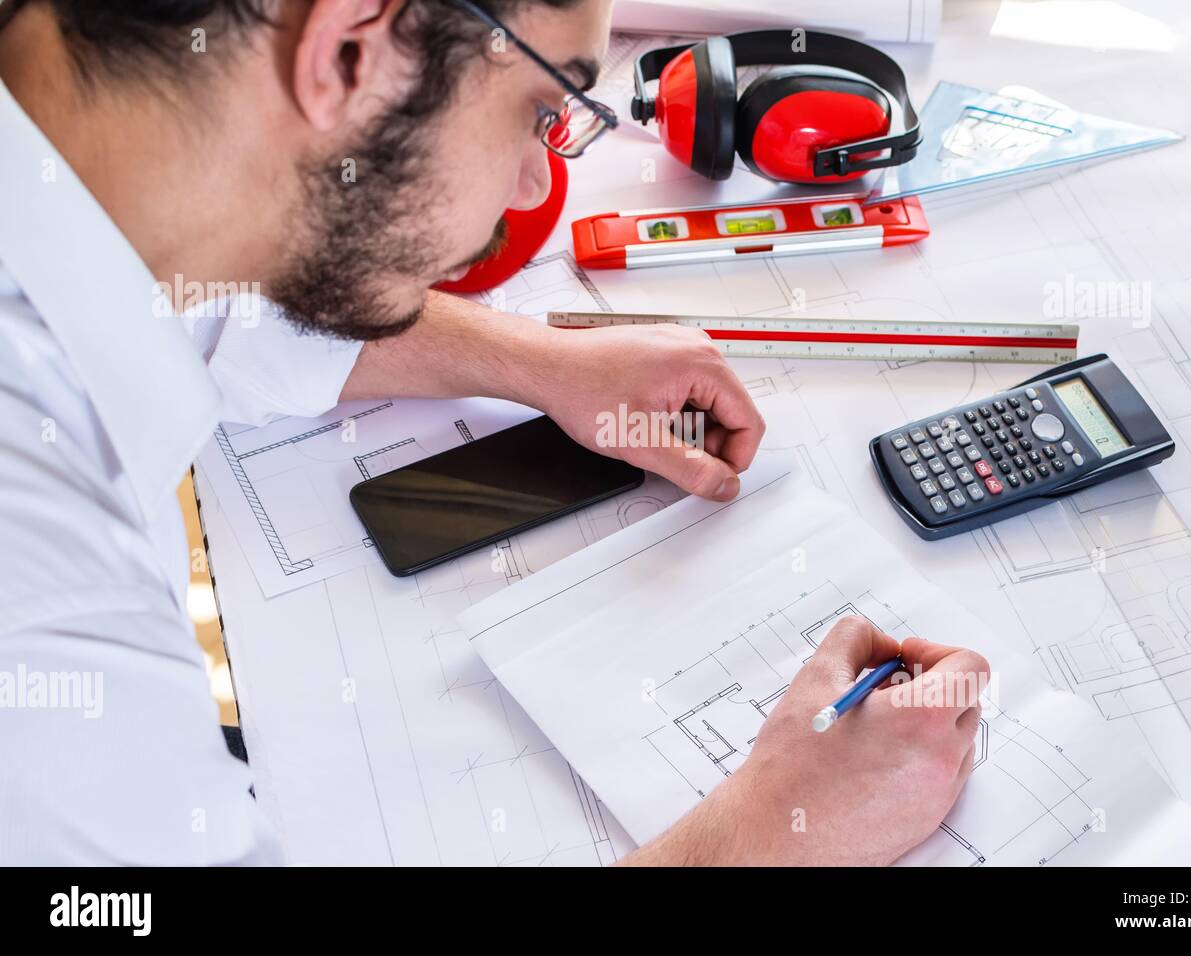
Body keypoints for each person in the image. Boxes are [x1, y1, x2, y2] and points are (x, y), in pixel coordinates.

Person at [0, 0, 986, 865]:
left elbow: (214, 315)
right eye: (542, 109)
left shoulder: (80, 171)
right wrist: (776, 826)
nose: (529, 184)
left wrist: (537, 361)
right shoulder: (48, 607)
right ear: (351, 49)